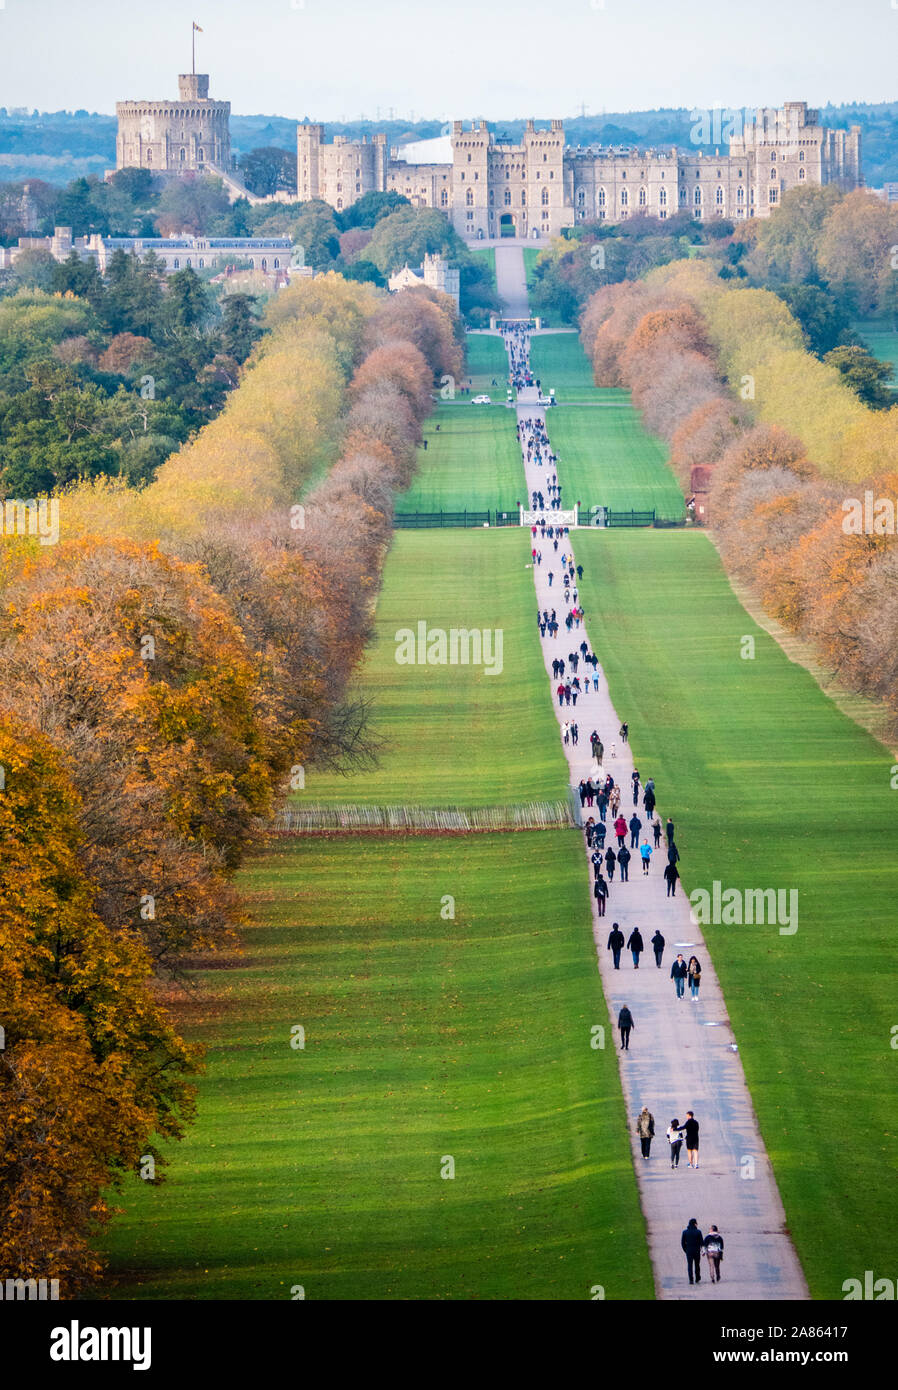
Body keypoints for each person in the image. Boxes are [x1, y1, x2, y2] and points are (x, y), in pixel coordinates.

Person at [681, 1218, 704, 1285]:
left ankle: (691, 1279)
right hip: (696, 1250)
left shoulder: (685, 1232)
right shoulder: (698, 1232)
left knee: (689, 1265)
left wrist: (685, 1250)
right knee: (697, 1265)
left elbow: (682, 1243)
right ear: (695, 1224)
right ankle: (697, 1278)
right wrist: (702, 1250)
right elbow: (702, 1242)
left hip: (689, 1250)